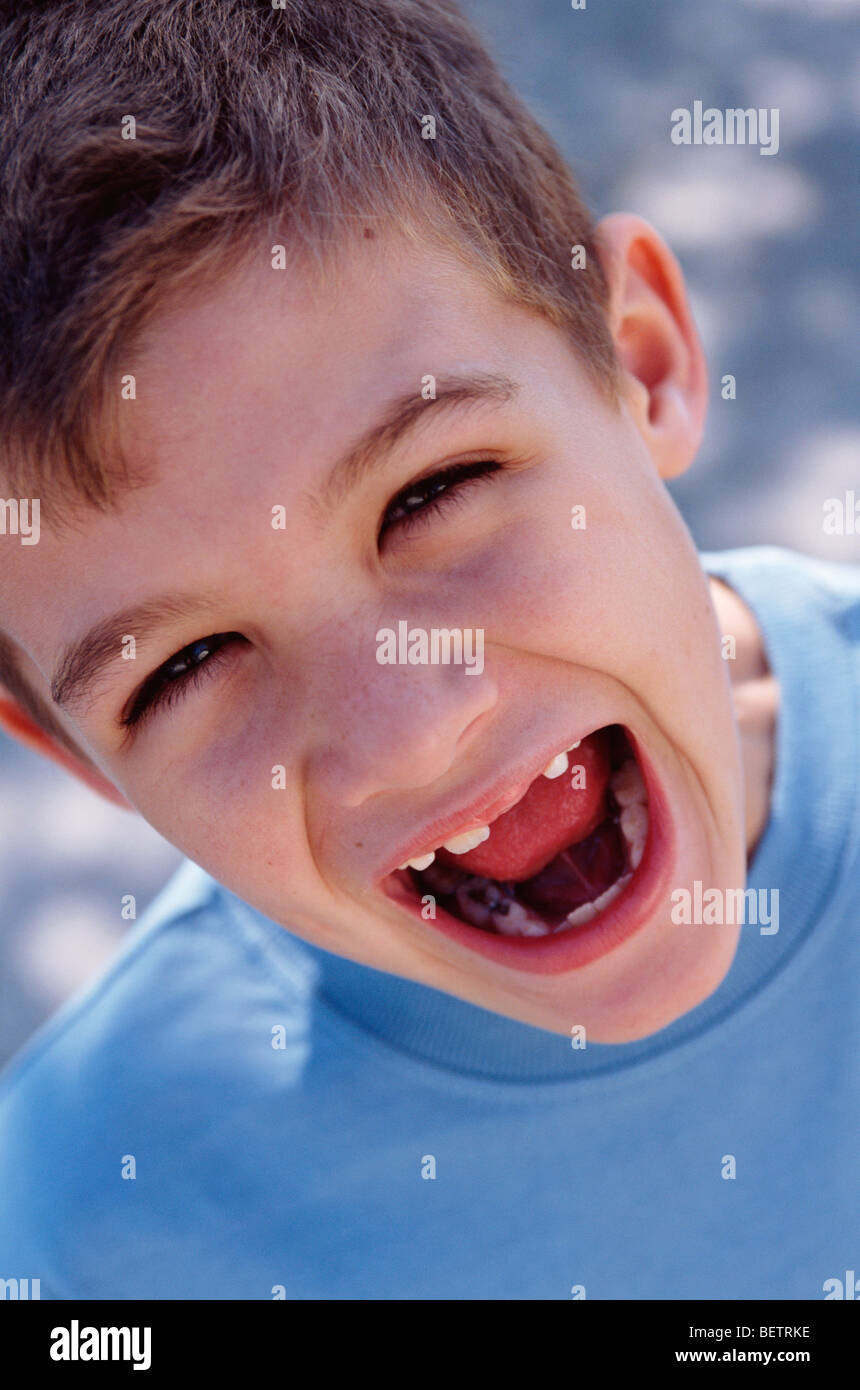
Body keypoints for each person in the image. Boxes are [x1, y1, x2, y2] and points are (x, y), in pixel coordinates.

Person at [0, 0, 856, 1299]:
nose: (407, 731)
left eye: (431, 492)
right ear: (75, 755)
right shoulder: (92, 1232)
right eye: (182, 666)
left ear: (645, 360)